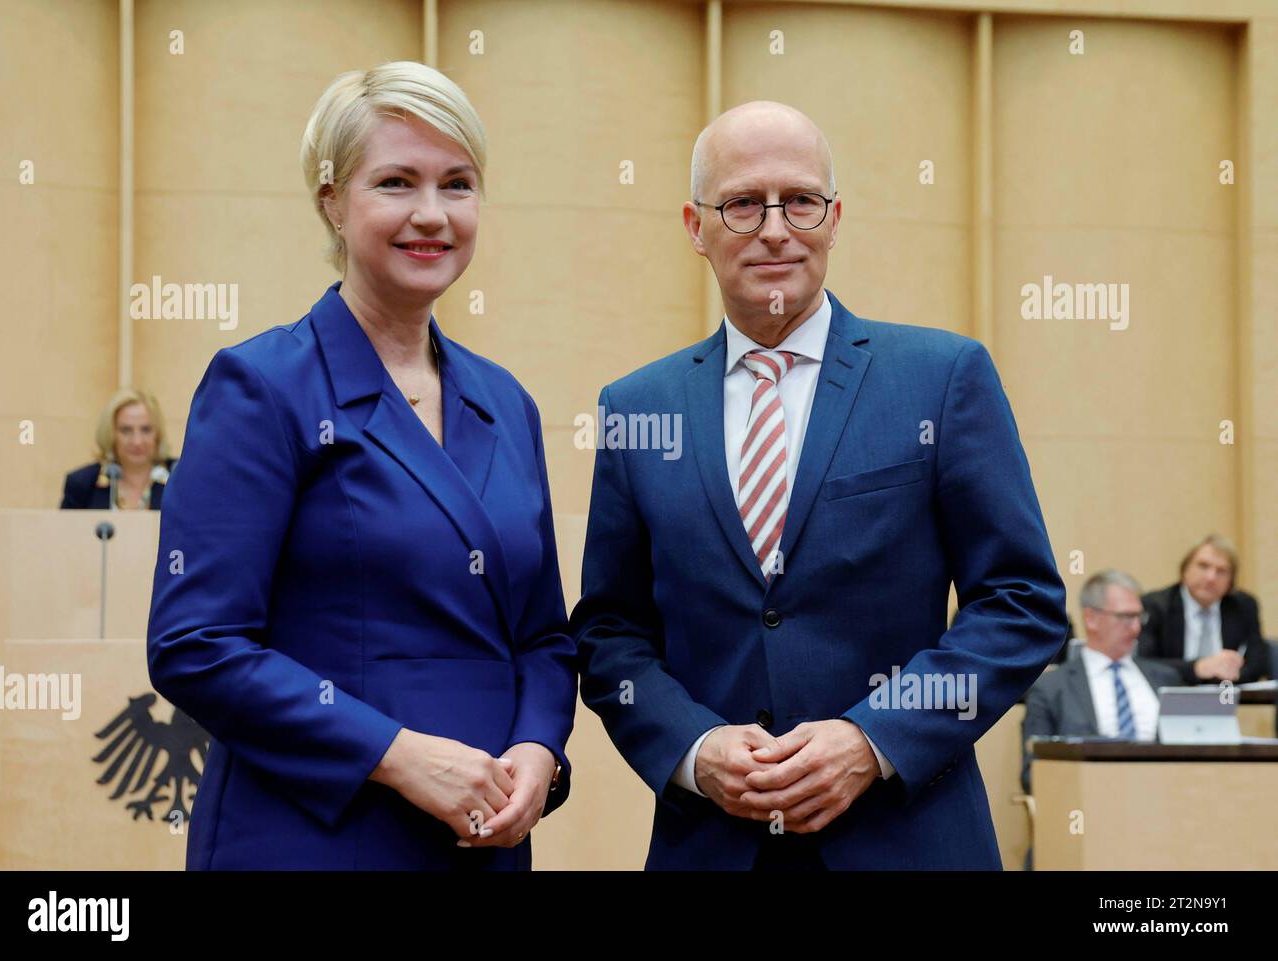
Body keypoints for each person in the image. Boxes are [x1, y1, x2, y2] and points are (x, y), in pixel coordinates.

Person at [571, 101, 1067, 870]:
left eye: (800, 200)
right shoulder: (637, 408)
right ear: (695, 226)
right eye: (742, 203)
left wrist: (874, 738)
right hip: (712, 845)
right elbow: (610, 631)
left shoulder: (941, 379)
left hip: (910, 838)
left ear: (835, 218)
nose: (775, 228)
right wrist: (695, 748)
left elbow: (1022, 602)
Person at [147, 61, 576, 870]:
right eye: (395, 182)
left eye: (457, 183)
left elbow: (545, 639)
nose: (431, 214)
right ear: (331, 203)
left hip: (479, 843)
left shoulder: (506, 403)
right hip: (310, 838)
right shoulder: (263, 385)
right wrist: (399, 755)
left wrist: (538, 746)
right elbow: (196, 642)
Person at [1020, 569, 1179, 794]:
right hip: (1087, 805)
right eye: (1125, 617)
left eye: (1138, 616)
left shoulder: (1166, 679)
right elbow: (1032, 773)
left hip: (1166, 800)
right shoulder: (1051, 688)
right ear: (1091, 618)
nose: (1136, 628)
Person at [1137, 534, 1267, 685]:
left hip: (1223, 699)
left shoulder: (1243, 606)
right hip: (1171, 697)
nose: (1211, 577)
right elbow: (1144, 664)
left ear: (1230, 581)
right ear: (1185, 570)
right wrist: (1197, 668)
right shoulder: (1156, 606)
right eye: (1203, 566)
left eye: (1221, 571)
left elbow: (1258, 664)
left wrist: (1232, 672)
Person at [60, 388, 176, 509]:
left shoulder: (180, 479)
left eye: (146, 430)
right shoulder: (82, 484)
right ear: (110, 434)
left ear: (158, 434)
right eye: (126, 430)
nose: (137, 441)